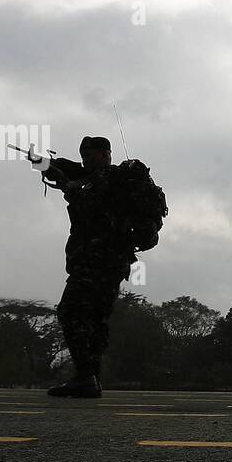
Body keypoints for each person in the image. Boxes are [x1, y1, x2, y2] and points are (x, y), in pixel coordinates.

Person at [41, 136, 148, 398]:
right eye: (83, 155)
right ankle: (91, 378)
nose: (85, 160)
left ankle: (85, 376)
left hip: (96, 259)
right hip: (112, 261)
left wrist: (66, 184)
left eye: (90, 155)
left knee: (71, 311)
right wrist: (45, 164)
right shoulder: (106, 178)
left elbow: (89, 203)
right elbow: (72, 170)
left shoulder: (105, 181)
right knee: (95, 319)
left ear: (105, 155)